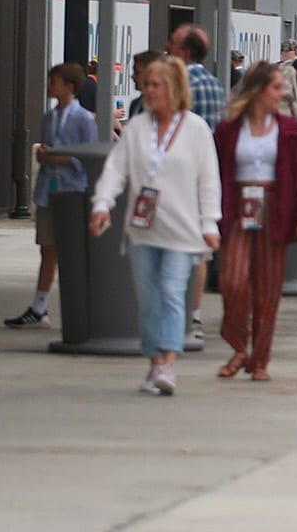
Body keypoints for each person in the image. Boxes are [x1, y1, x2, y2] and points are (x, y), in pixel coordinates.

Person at [89, 58, 220, 395]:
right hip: (143, 229)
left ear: (173, 88)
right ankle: (154, 361)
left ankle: (168, 364)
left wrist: (210, 224)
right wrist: (102, 205)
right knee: (148, 299)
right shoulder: (136, 128)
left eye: (156, 85)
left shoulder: (196, 129)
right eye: (146, 84)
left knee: (172, 292)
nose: (149, 90)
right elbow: (116, 170)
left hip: (183, 230)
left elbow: (209, 181)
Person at [212, 61, 297, 382]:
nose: (281, 93)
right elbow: (216, 172)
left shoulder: (288, 129)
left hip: (275, 206)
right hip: (238, 205)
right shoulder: (229, 128)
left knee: (268, 288)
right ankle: (238, 344)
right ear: (257, 90)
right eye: (275, 87)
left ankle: (259, 359)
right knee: (232, 279)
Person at [5, 64, 98, 329]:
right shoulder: (49, 117)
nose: (50, 86)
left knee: (71, 252)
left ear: (70, 86)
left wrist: (56, 156)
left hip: (73, 191)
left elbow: (87, 157)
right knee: (47, 248)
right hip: (50, 191)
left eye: (54, 82)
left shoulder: (84, 119)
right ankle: (39, 306)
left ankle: (78, 305)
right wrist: (44, 156)